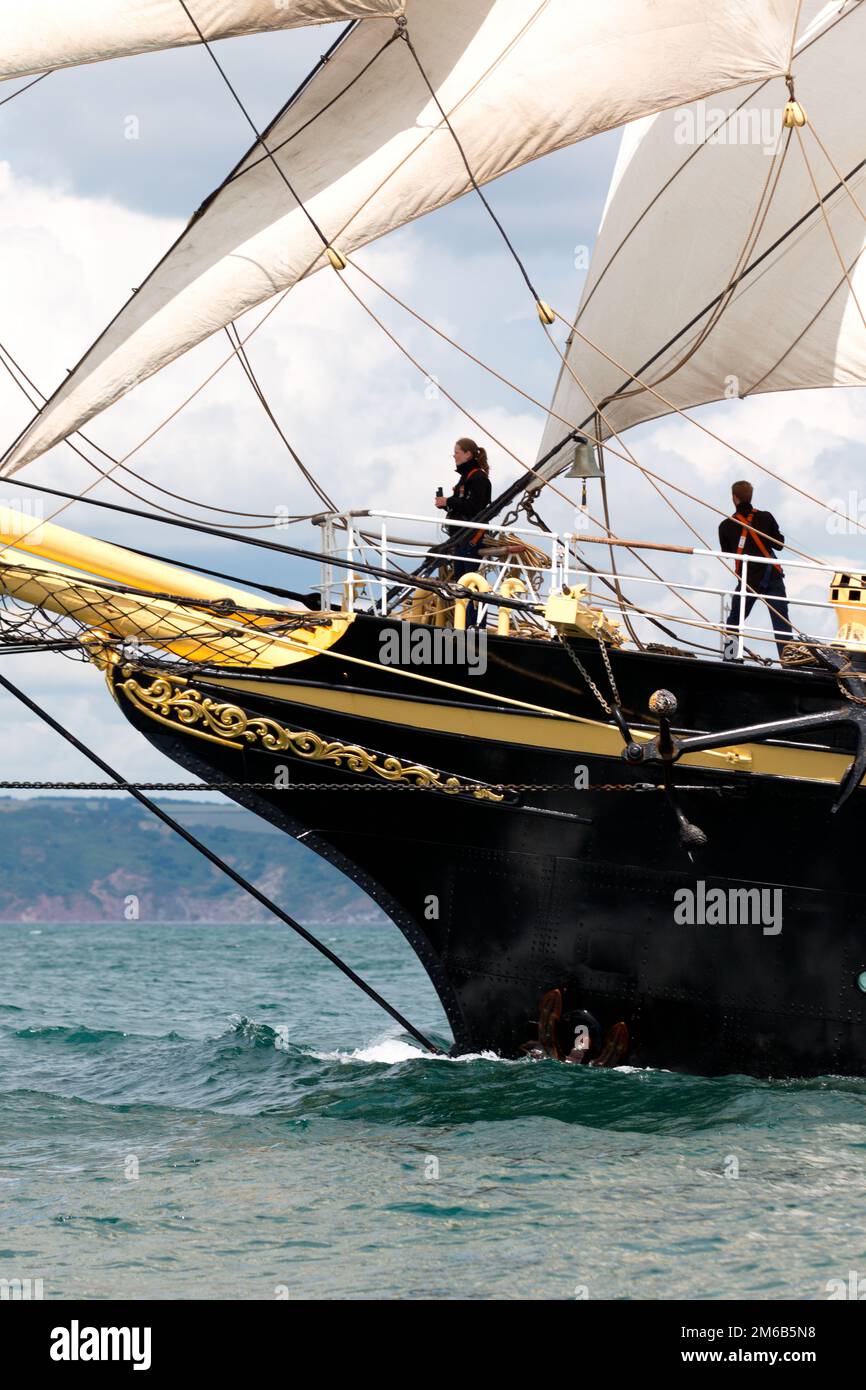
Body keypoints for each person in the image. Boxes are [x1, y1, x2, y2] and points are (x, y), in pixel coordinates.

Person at [719, 480, 793, 659]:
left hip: (748, 579)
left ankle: (731, 659)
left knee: (735, 621)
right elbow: (780, 544)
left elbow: (728, 553)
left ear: (734, 498)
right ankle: (789, 662)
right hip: (772, 577)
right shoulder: (766, 517)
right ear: (750, 496)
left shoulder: (726, 526)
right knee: (781, 623)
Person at [435, 438, 492, 623]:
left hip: (471, 538)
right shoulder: (466, 477)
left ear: (468, 454)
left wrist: (449, 501)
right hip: (461, 539)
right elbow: (462, 505)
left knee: (471, 582)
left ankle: (475, 624)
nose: (454, 456)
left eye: (457, 452)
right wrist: (446, 505)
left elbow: (475, 506)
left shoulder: (478, 478)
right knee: (461, 582)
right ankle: (464, 622)